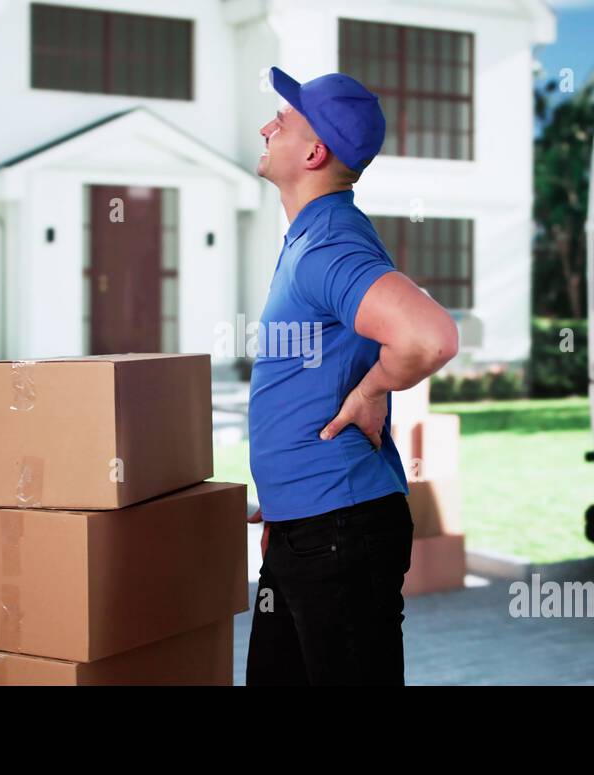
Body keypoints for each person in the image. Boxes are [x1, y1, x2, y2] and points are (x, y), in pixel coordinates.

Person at [245, 66, 459, 685]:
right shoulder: (310, 237)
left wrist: (370, 392)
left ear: (314, 152)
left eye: (281, 120)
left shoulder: (330, 246)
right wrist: (287, 509)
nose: (267, 125)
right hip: (309, 527)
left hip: (340, 529)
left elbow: (430, 336)